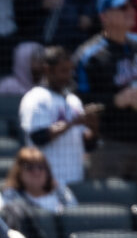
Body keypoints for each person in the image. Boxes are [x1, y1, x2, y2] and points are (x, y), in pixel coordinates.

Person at [77, 0, 137, 183]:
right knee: (109, 208)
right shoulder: (89, 55)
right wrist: (115, 100)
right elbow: (80, 102)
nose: (130, 11)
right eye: (122, 7)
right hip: (109, 145)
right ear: (104, 17)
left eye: (131, 6)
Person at [19, 45, 93, 186]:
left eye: (71, 70)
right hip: (47, 181)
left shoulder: (73, 100)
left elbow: (88, 144)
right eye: (63, 71)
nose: (68, 76)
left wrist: (93, 126)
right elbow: (38, 137)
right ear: (47, 70)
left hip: (76, 178)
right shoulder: (35, 98)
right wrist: (72, 123)